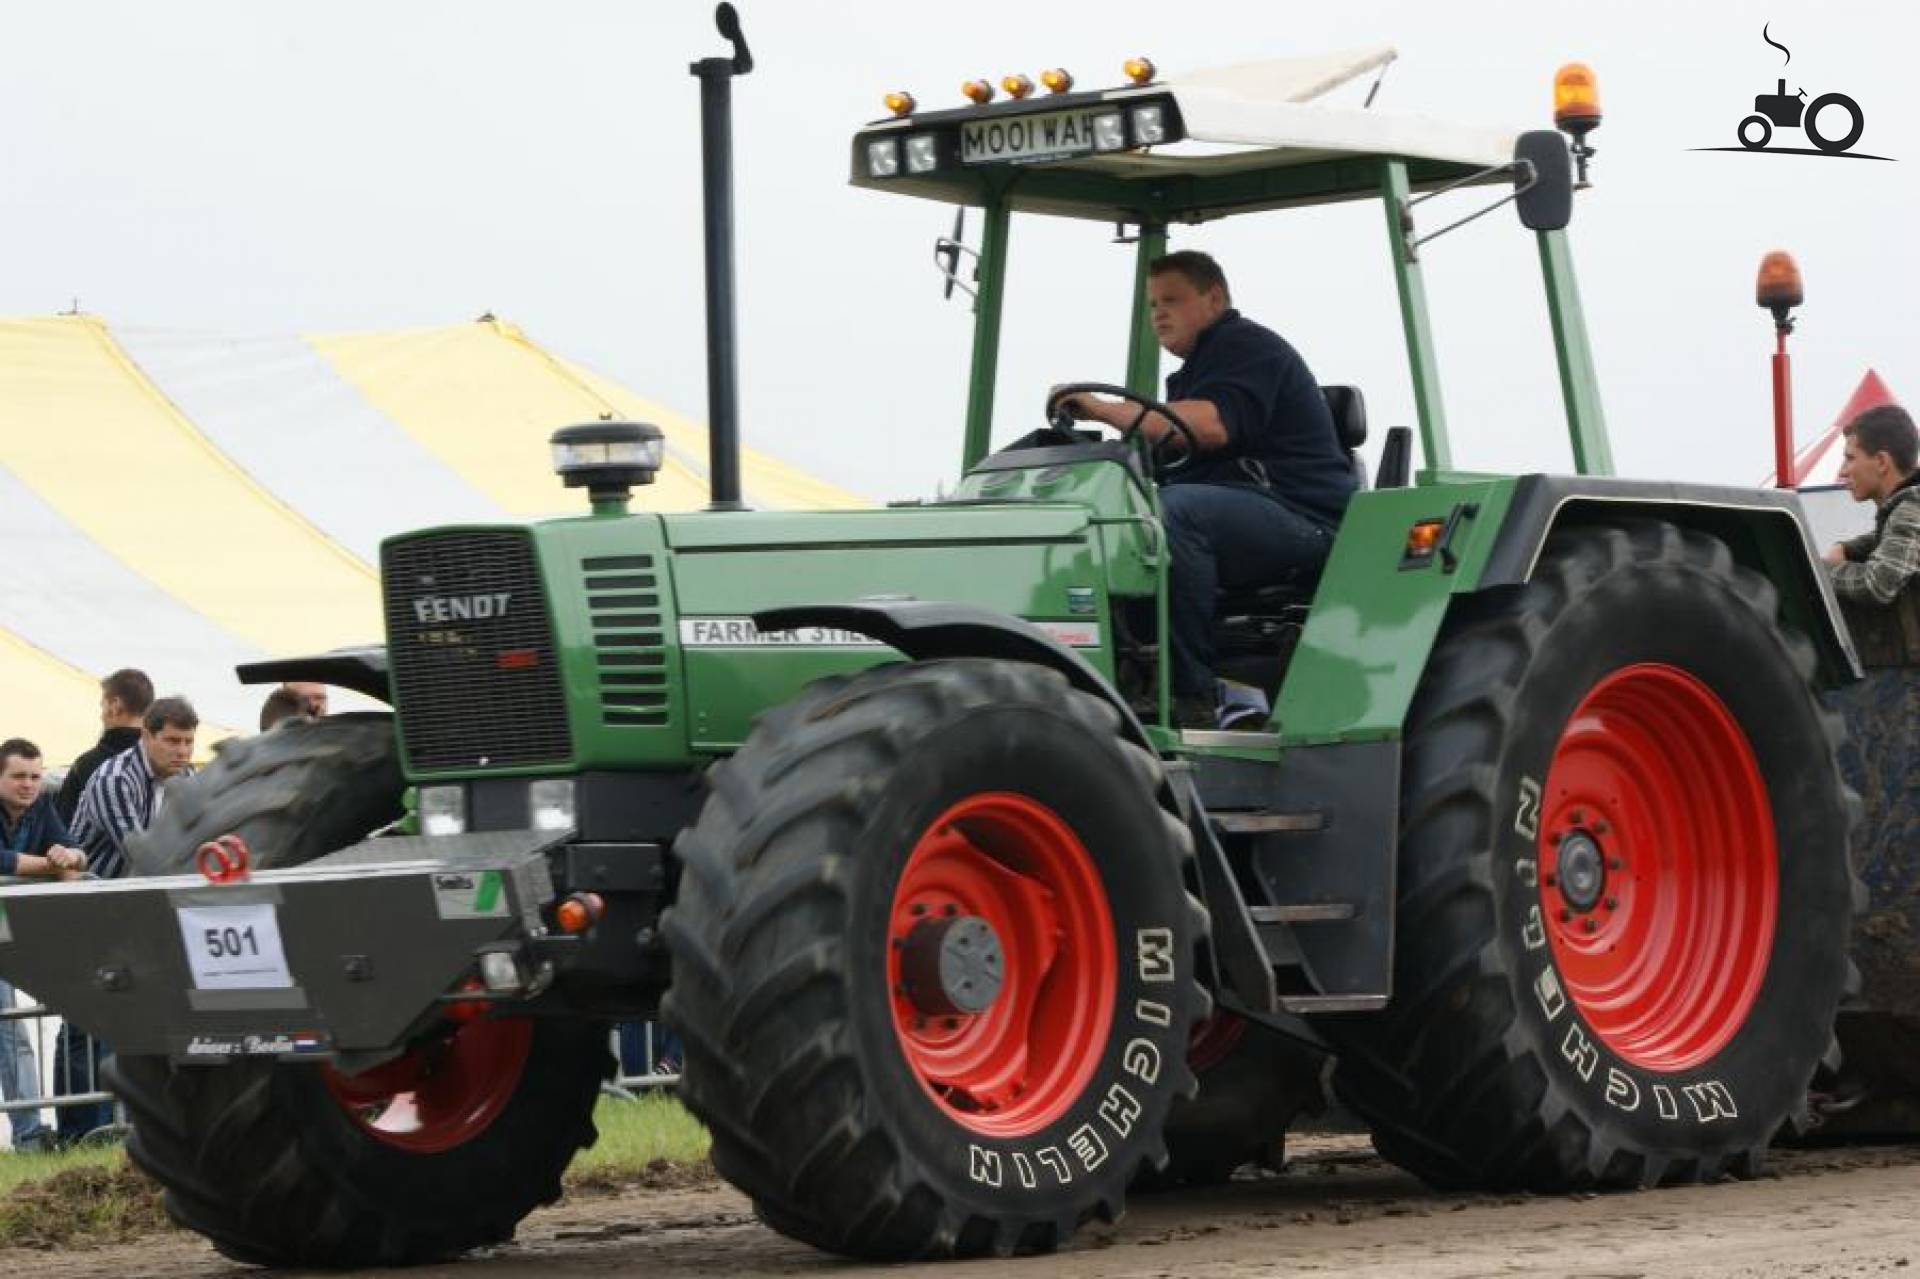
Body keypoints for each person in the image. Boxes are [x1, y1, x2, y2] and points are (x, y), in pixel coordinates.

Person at [1057, 250, 1357, 726]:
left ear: (1213, 299)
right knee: (1107, 527)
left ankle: (1190, 696)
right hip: (1247, 512)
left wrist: (1105, 409)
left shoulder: (1248, 347)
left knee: (1174, 515)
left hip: (1306, 518)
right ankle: (1120, 677)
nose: (1158, 313)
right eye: (1153, 303)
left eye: (1171, 300)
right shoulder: (1193, 371)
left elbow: (1210, 426)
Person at [60, 696, 198, 1142]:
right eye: (172, 741)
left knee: (139, 1017)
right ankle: (82, 1128)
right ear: (147, 736)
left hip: (142, 908)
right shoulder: (116, 779)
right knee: (83, 1021)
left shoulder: (190, 777)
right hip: (91, 905)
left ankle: (139, 1123)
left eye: (188, 742)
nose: (181, 752)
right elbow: (141, 852)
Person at [0, 739, 88, 1154]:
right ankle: (30, 1134)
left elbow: (75, 856)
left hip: (9, 928)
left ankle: (31, 1137)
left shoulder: (41, 806)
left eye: (35, 776)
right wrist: (54, 864)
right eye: (18, 776)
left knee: (14, 1029)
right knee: (12, 1029)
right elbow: (4, 862)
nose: (29, 785)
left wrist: (69, 857)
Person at [55, 669, 153, 823]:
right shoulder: (162, 764)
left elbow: (61, 827)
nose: (101, 716)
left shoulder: (89, 765)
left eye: (102, 706)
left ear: (114, 705)